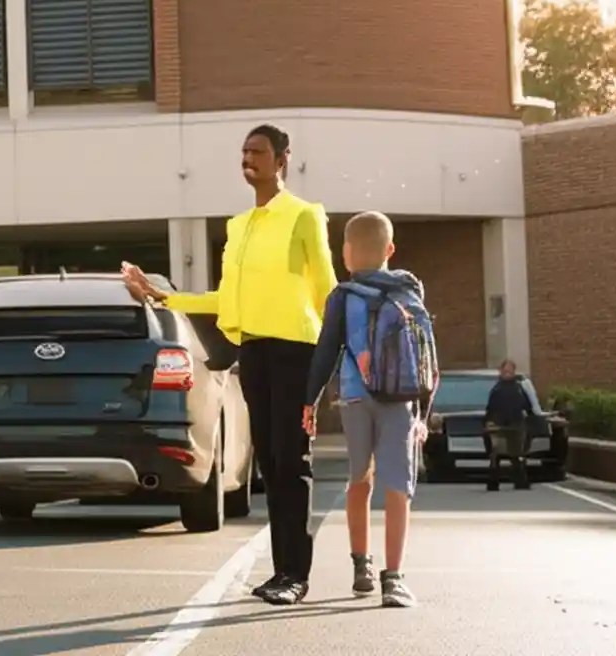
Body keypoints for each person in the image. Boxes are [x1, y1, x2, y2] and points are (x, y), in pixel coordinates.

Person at [122, 123, 336, 606]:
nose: (248, 158)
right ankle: (282, 573)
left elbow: (327, 294)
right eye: (243, 151)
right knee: (271, 465)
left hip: (296, 353)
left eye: (258, 151)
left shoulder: (304, 217)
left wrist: (329, 365)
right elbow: (226, 298)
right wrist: (163, 296)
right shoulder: (239, 226)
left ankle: (295, 576)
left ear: (282, 160)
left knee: (291, 462)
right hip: (255, 354)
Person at [301, 210, 434, 608]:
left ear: (345, 253)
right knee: (399, 488)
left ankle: (361, 565)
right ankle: (394, 579)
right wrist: (423, 415)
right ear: (390, 249)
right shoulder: (410, 293)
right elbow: (424, 358)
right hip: (402, 401)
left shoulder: (343, 296)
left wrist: (310, 399)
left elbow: (326, 352)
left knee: (359, 480)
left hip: (356, 399)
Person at [484, 359, 534, 492]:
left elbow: (528, 406)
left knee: (517, 455)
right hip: (499, 427)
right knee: (496, 455)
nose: (507, 374)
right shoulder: (496, 390)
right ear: (501, 372)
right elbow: (490, 409)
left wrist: (529, 417)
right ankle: (493, 483)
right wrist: (489, 423)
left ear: (514, 372)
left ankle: (521, 482)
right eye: (505, 371)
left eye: (510, 371)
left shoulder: (519, 388)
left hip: (516, 426)